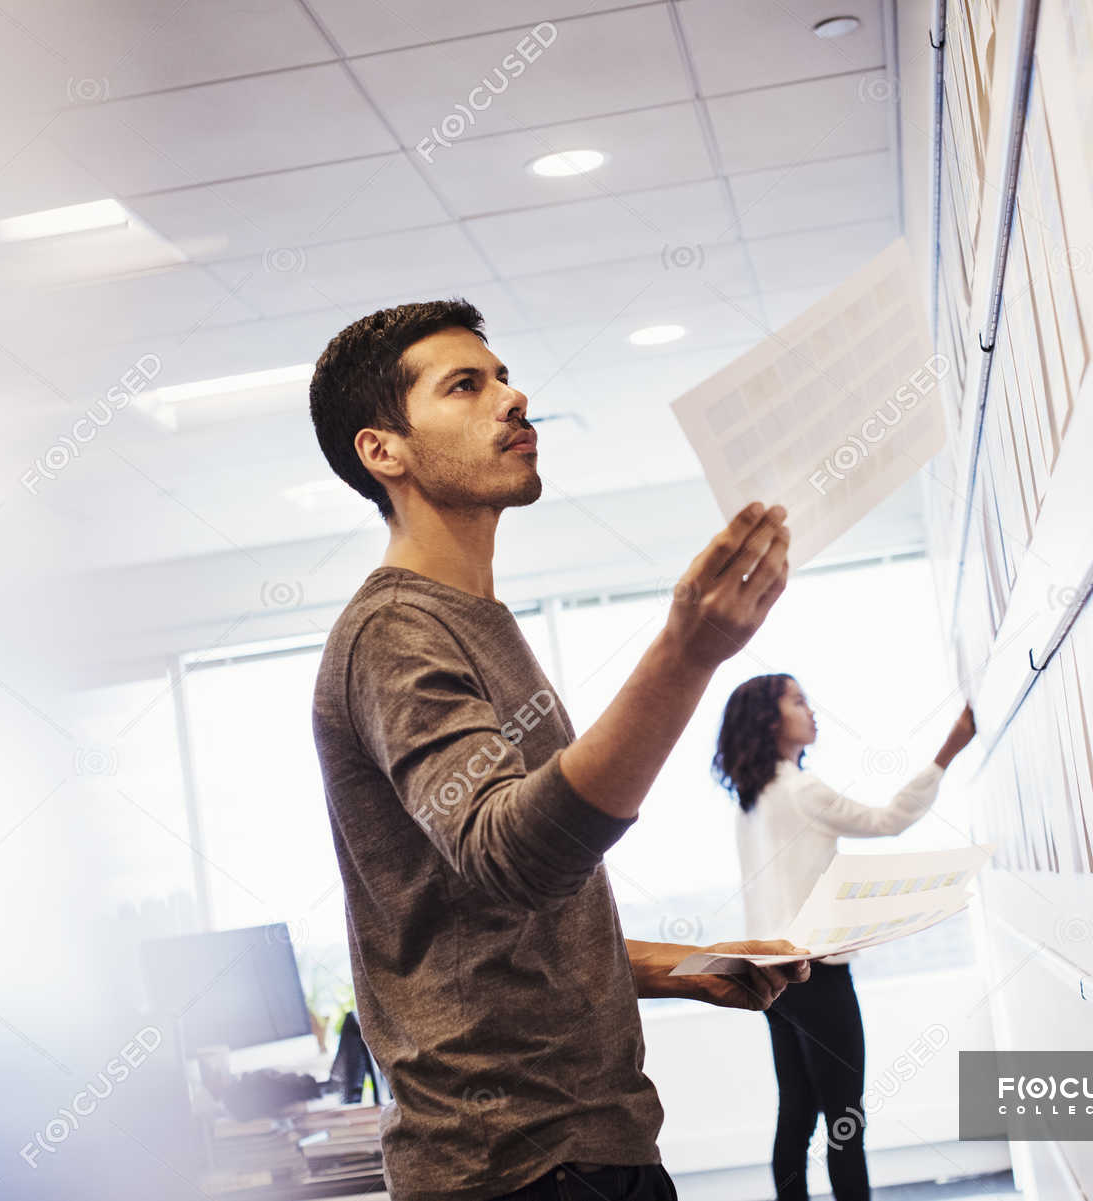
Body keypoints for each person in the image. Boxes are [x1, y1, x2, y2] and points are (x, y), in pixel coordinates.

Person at [307, 300, 813, 1201]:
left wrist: (692, 969)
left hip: (586, 1147)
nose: (512, 396)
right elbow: (515, 857)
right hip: (516, 1166)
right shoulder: (394, 634)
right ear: (383, 450)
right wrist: (687, 653)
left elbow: (504, 926)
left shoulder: (471, 621)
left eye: (503, 376)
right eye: (466, 385)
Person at [713, 674, 976, 1201]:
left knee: (797, 1115)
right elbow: (888, 820)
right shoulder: (801, 790)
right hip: (816, 976)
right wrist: (951, 746)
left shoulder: (753, 798)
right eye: (798, 701)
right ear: (770, 720)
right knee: (845, 1121)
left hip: (772, 978)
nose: (813, 712)